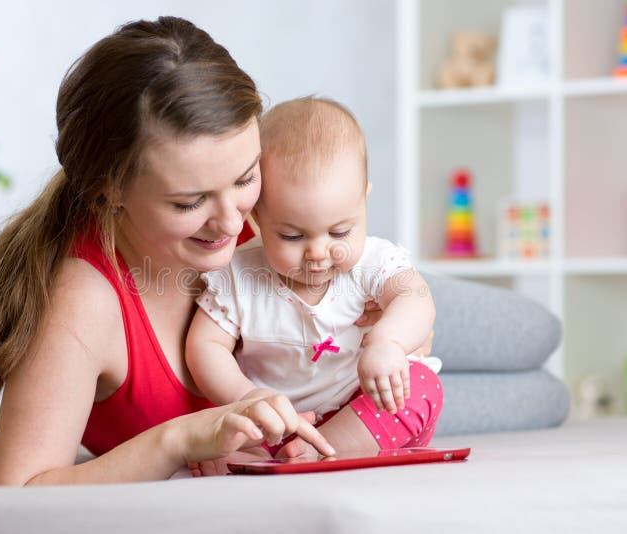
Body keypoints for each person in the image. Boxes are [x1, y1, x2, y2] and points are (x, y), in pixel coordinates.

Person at [0, 17, 357, 485]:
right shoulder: (82, 303)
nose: (233, 221)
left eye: (246, 177)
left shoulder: (255, 226)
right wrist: (178, 440)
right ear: (109, 190)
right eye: (190, 202)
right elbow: (16, 490)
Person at [186, 97, 442, 463]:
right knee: (225, 433)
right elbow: (205, 347)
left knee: (420, 385)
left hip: (363, 408)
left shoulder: (373, 261)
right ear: (256, 218)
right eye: (293, 236)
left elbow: (416, 299)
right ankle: (299, 449)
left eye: (340, 232)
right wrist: (248, 398)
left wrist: (388, 343)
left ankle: (320, 451)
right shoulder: (239, 273)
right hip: (280, 422)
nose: (318, 253)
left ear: (363, 201)